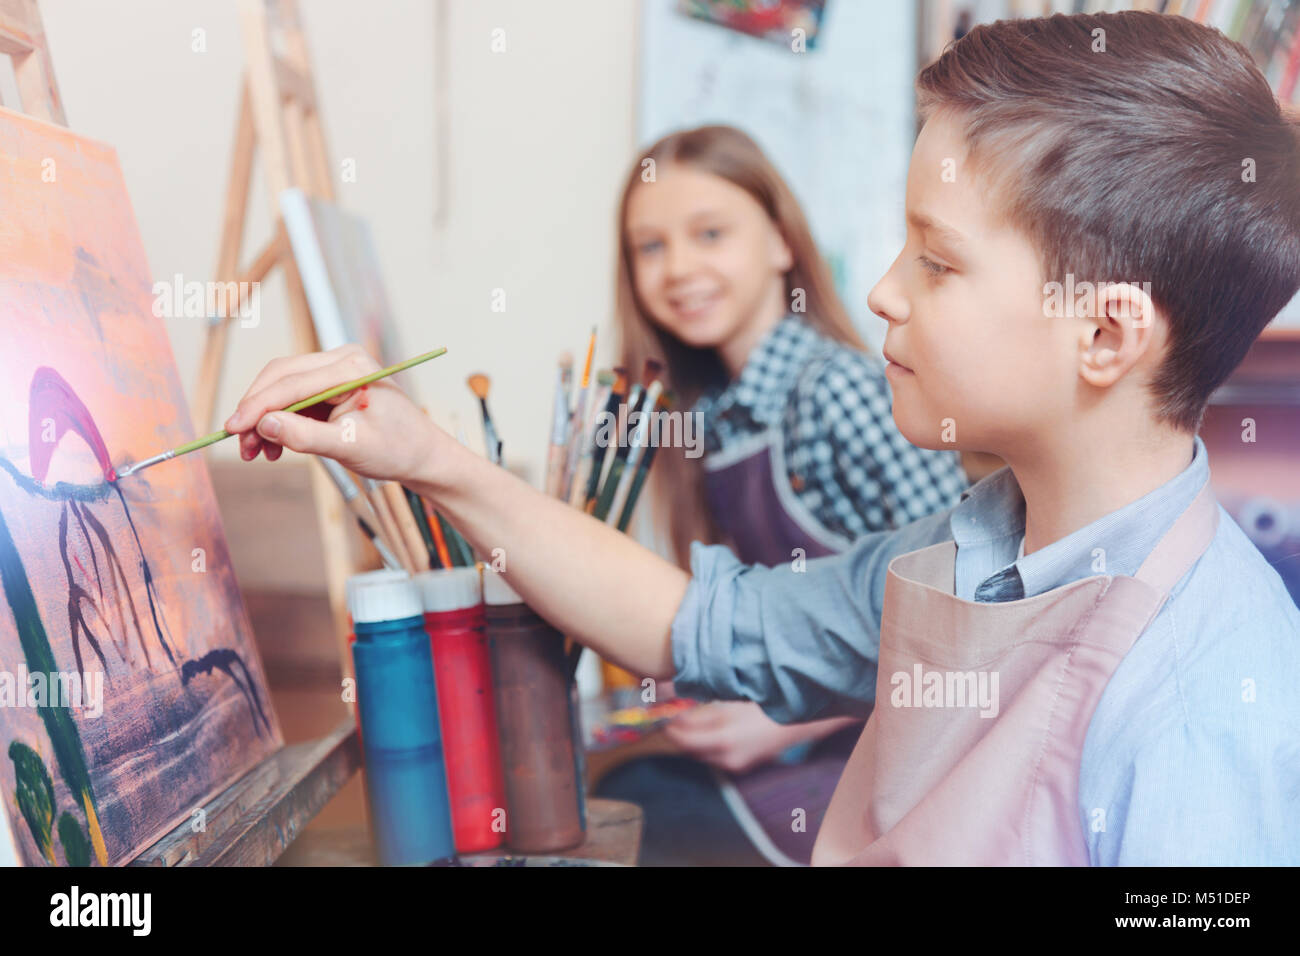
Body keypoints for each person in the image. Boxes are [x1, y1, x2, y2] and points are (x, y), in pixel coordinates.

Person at [226, 10, 1300, 864]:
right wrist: (429, 458)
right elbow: (698, 623)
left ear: (1105, 331)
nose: (879, 291)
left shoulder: (1212, 702)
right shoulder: (961, 546)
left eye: (936, 260)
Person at [598, 124, 969, 865]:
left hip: (910, 768)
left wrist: (785, 724)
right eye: (651, 247)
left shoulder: (837, 390)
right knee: (626, 786)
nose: (679, 268)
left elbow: (964, 619)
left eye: (710, 233)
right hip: (829, 752)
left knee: (642, 808)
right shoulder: (706, 417)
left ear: (779, 241)